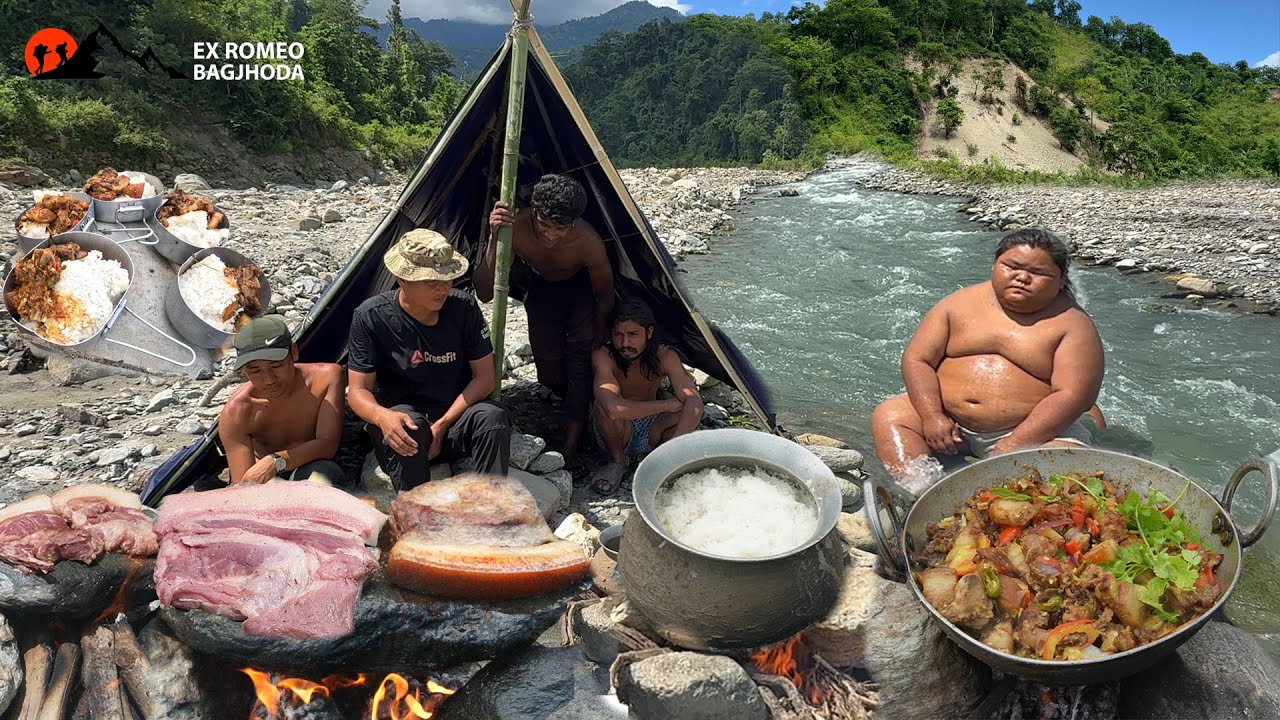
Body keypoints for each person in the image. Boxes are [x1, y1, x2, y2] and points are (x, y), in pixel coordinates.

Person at [871, 228, 1105, 493]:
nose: (1022, 278)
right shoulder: (957, 304)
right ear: (995, 265)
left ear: (1061, 279)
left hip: (1035, 432)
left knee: (1065, 464)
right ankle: (922, 494)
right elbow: (917, 359)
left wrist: (1018, 442)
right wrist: (932, 416)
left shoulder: (1073, 324)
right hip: (951, 424)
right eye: (1012, 266)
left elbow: (1074, 395)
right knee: (890, 415)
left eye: (1038, 273)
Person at [348, 229, 512, 491]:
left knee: (493, 417)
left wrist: (443, 425)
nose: (442, 288)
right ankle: (415, 510)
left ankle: (491, 506)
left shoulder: (463, 308)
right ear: (402, 279)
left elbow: (485, 378)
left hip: (454, 418)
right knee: (409, 426)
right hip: (405, 425)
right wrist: (382, 417)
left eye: (446, 279)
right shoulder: (371, 317)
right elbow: (357, 391)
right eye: (430, 281)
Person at [476, 174, 615, 463]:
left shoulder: (587, 241)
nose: (550, 235)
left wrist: (599, 338)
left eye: (560, 228)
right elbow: (485, 291)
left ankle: (573, 441)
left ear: (574, 222)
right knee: (549, 372)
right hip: (541, 291)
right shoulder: (516, 228)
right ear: (534, 211)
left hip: (580, 294)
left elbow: (604, 295)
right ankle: (573, 402)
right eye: (544, 225)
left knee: (580, 365)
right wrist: (495, 238)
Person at [589, 297, 703, 492]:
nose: (625, 343)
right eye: (618, 335)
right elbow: (613, 409)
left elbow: (695, 403)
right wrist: (665, 405)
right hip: (618, 432)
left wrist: (672, 449)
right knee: (602, 405)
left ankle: (658, 461)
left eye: (633, 334)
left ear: (649, 332)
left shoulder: (665, 356)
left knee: (687, 408)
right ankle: (617, 463)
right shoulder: (604, 356)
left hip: (653, 429)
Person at [218, 315, 346, 485]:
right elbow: (243, 483)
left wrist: (276, 461)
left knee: (322, 478)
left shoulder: (327, 379)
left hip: (312, 464)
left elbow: (327, 444)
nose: (269, 379)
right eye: (256, 370)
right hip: (264, 476)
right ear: (244, 371)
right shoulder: (237, 411)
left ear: (293, 352)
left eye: (276, 366)